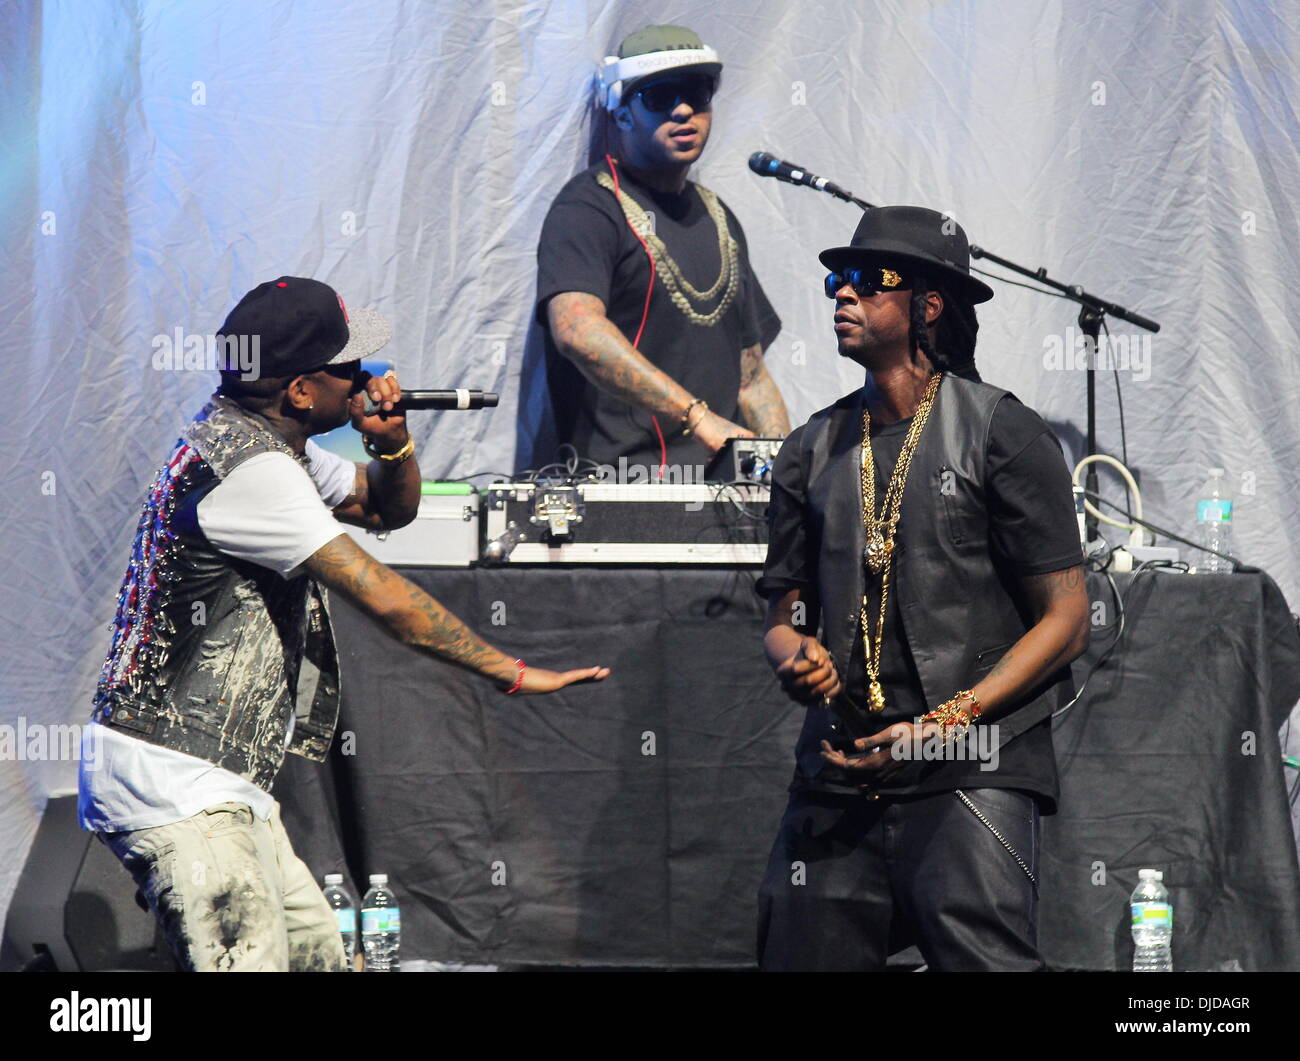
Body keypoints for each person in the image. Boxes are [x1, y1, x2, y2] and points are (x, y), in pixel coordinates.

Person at [79, 277, 609, 971]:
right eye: (348, 368)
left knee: (319, 959)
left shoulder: (265, 440)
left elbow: (385, 509)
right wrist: (511, 671)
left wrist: (392, 447)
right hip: (175, 783)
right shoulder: (253, 472)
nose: (367, 378)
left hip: (216, 781)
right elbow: (390, 601)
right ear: (301, 391)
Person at [754, 207, 1090, 971]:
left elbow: (1067, 620)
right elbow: (782, 614)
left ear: (929, 304)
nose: (842, 294)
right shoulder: (810, 446)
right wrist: (794, 652)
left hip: (969, 761)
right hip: (842, 765)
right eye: (836, 279)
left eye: (869, 281)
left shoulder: (1002, 431)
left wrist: (944, 723)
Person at [535, 24, 789, 480]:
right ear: (621, 111)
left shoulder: (719, 217)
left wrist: (784, 472)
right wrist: (697, 416)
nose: (684, 110)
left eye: (698, 92)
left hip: (722, 493)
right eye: (659, 97)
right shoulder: (588, 207)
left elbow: (750, 379)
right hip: (615, 485)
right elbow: (576, 328)